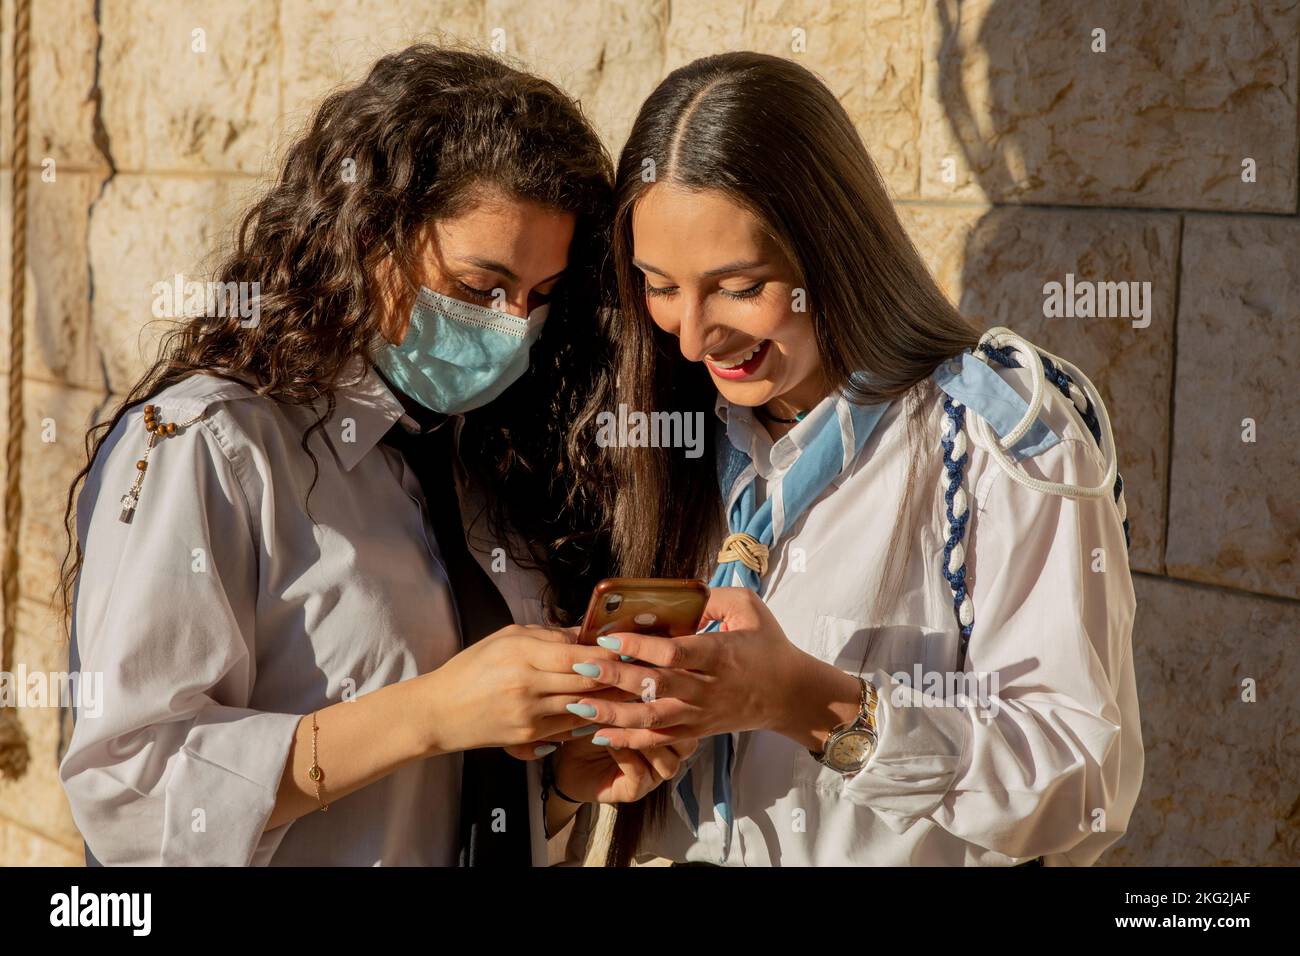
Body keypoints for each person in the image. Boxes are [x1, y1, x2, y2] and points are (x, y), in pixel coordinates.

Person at [56, 44, 685, 867]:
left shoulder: (490, 458)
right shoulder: (209, 447)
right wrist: (429, 712)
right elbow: (130, 794)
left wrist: (563, 783)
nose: (509, 328)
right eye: (477, 288)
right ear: (371, 237)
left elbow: (429, 808)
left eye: (539, 298)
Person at [551, 51, 1143, 867]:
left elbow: (1085, 783)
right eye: (658, 285)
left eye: (738, 285)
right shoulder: (659, 433)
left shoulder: (994, 436)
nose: (692, 337)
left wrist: (809, 703)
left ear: (831, 248)